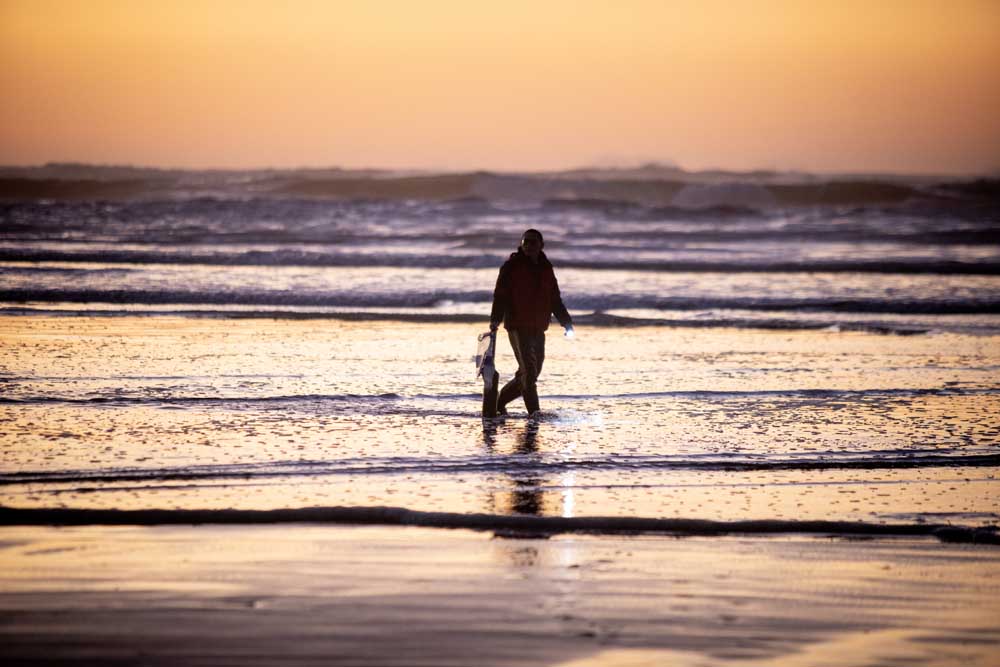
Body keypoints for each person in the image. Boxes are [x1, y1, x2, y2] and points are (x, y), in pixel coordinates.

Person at [489, 229, 574, 416]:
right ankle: (534, 414)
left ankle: (499, 402)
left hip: (538, 327)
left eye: (533, 242)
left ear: (541, 245)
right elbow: (500, 295)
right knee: (528, 370)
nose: (528, 245)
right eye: (525, 242)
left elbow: (555, 299)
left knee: (532, 372)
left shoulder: (546, 268)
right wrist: (495, 319)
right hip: (517, 326)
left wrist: (566, 323)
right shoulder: (511, 266)